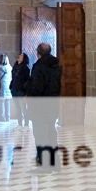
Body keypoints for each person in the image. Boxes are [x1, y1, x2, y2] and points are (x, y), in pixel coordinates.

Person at [26, 43, 61, 174]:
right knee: (51, 132)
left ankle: (45, 165)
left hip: (40, 105)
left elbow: (36, 88)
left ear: (38, 53)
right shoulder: (56, 66)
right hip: (53, 104)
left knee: (40, 134)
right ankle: (55, 163)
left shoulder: (38, 67)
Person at [10, 52, 31, 129]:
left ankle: (26, 123)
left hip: (21, 90)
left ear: (24, 58)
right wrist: (11, 86)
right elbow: (13, 78)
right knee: (17, 108)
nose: (19, 56)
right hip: (14, 89)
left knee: (23, 108)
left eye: (21, 56)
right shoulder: (15, 66)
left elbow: (27, 80)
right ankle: (19, 123)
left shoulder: (26, 68)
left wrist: (25, 91)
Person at [0, 54, 12, 122]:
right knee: (7, 102)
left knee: (1, 102)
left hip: (1, 86)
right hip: (8, 86)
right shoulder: (10, 67)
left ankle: (2, 117)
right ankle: (8, 117)